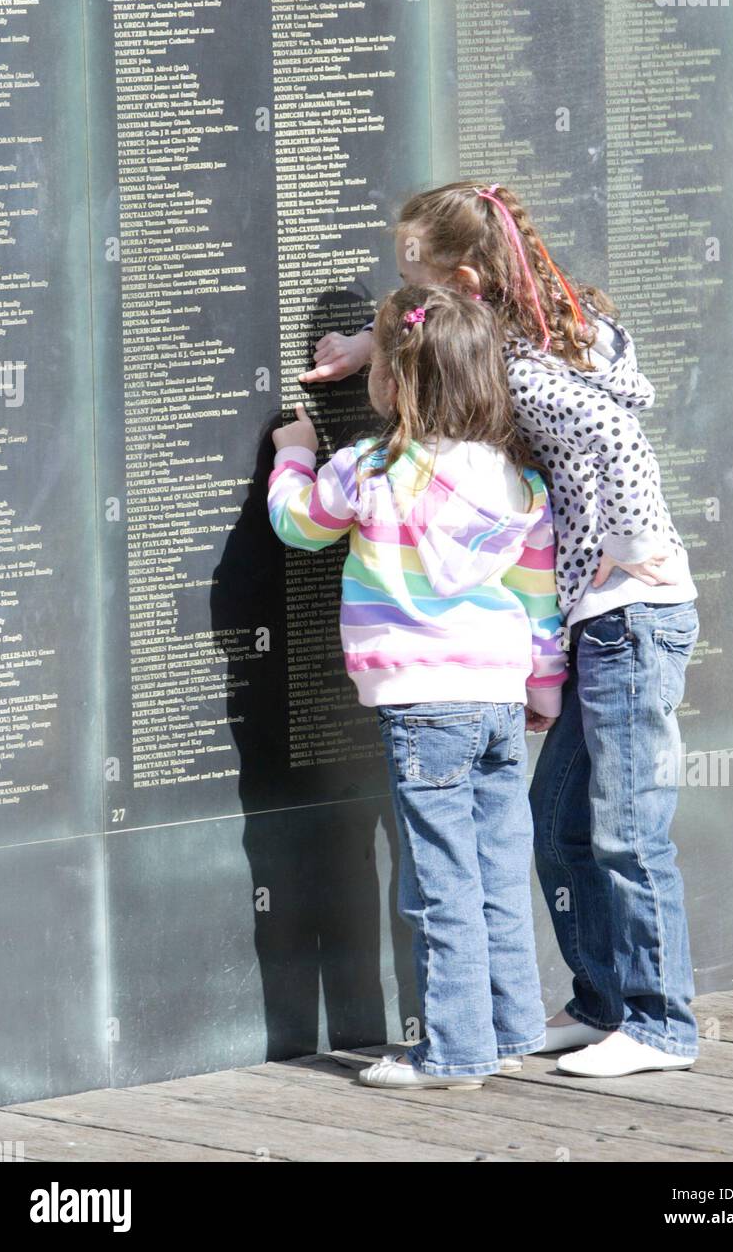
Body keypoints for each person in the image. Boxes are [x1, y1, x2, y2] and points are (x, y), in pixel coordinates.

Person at [300, 181, 701, 1077]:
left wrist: (634, 541)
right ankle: (599, 1002)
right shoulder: (533, 334)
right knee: (555, 824)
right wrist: (376, 340)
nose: (399, 288)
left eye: (414, 277)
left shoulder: (519, 372)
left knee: (625, 830)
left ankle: (660, 1024)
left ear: (468, 281)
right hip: (581, 630)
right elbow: (444, 336)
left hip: (625, 616)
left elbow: (615, 430)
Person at [268, 283, 567, 1089]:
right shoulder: (519, 483)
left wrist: (293, 449)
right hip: (501, 698)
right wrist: (543, 690)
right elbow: (539, 602)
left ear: (392, 382)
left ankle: (454, 1052)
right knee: (500, 869)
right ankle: (510, 1032)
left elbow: (297, 524)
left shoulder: (370, 468)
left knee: (438, 881)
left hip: (422, 702)